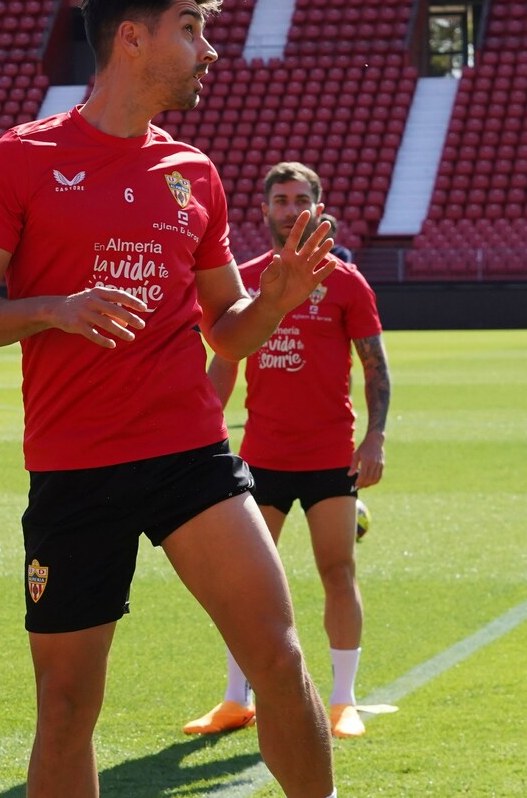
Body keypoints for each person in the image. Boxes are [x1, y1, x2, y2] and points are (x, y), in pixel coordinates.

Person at [0, 0, 338, 798]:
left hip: (188, 452)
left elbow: (226, 329)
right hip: (75, 466)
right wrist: (56, 308)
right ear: (132, 37)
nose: (209, 49)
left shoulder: (195, 173)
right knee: (68, 705)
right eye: (190, 27)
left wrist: (277, 303)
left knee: (280, 652)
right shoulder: (19, 159)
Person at [181, 162, 393, 740]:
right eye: (281, 198)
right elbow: (223, 362)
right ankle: (234, 698)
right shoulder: (244, 280)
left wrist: (374, 436)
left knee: (338, 569)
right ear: (265, 209)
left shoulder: (348, 282)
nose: (290, 207)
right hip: (260, 459)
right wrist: (203, 432)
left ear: (318, 208)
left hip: (330, 457)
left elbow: (374, 366)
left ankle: (344, 699)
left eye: (302, 198)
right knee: (242, 583)